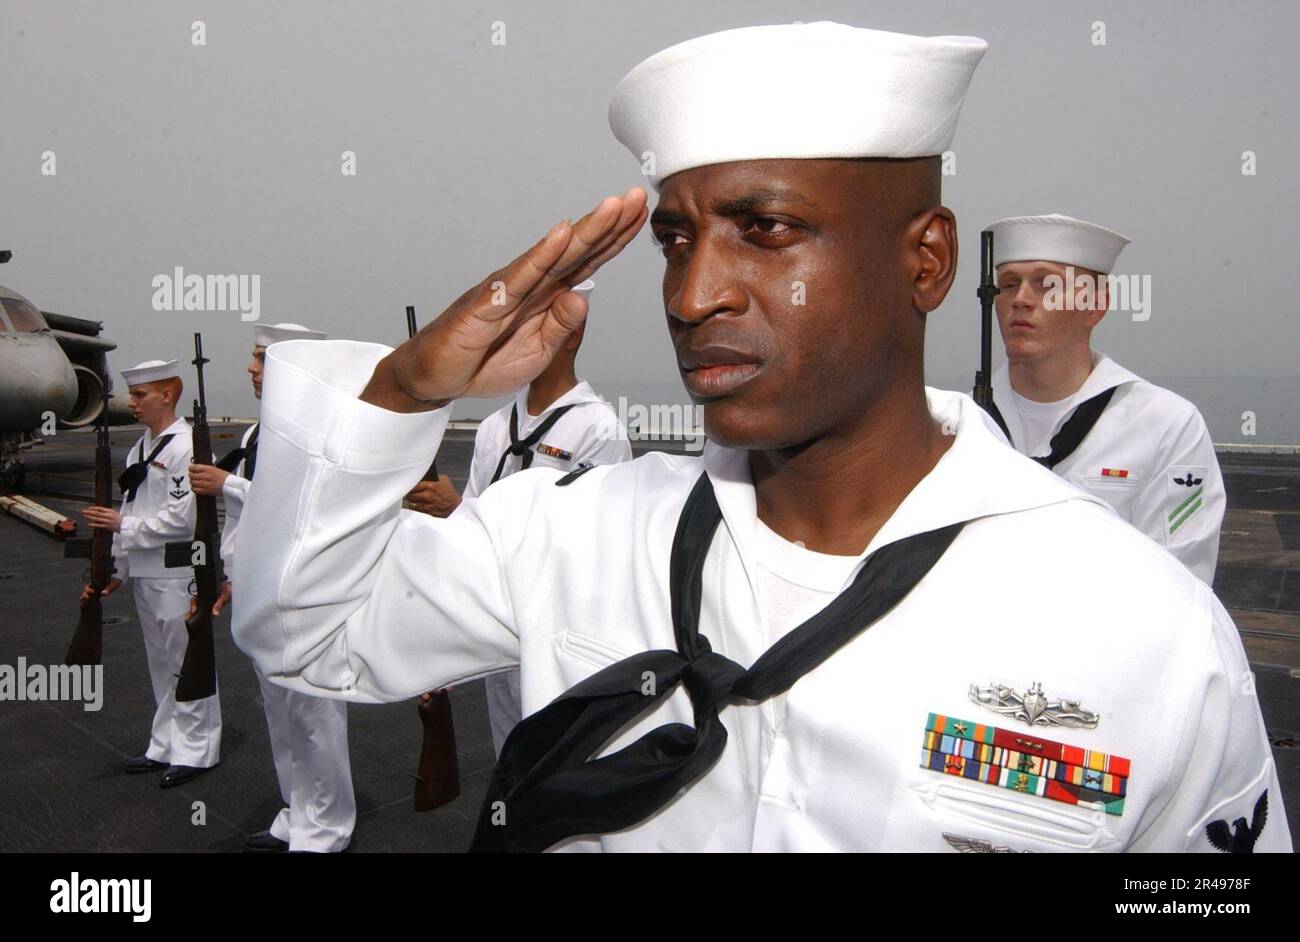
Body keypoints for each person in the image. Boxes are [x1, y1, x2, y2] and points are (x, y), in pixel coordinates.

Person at [234, 22, 1288, 852]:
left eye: (767, 229)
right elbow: (303, 633)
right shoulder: (576, 534)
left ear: (923, 263)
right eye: (675, 239)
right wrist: (401, 394)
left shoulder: (1144, 634)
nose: (691, 295)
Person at [406, 280, 633, 753]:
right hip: (497, 619)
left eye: (540, 324)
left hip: (558, 631)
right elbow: (466, 545)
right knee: (506, 756)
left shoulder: (597, 428)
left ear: (573, 334)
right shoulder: (493, 429)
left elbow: (588, 545)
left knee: (557, 761)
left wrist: (459, 510)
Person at [986, 213, 1224, 583]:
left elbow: (1180, 581)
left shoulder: (1166, 426)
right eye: (1007, 284)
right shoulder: (960, 421)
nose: (1021, 299)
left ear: (1095, 306)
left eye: (1047, 285)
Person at [189, 322, 355, 853]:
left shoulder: (323, 431)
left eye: (262, 358)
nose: (251, 369)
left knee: (313, 711)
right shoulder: (258, 434)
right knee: (279, 711)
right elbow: (245, 523)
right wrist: (233, 572)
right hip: (265, 588)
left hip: (306, 591)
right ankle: (299, 808)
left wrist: (229, 484)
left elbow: (310, 509)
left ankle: (328, 823)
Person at [83, 359, 221, 787]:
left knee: (187, 661)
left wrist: (121, 526)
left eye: (140, 395)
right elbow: (131, 508)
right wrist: (117, 568)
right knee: (161, 664)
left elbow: (181, 520)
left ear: (166, 394)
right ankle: (164, 744)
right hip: (145, 573)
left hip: (177, 571)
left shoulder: (186, 448)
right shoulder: (140, 448)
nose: (132, 403)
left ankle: (198, 749)